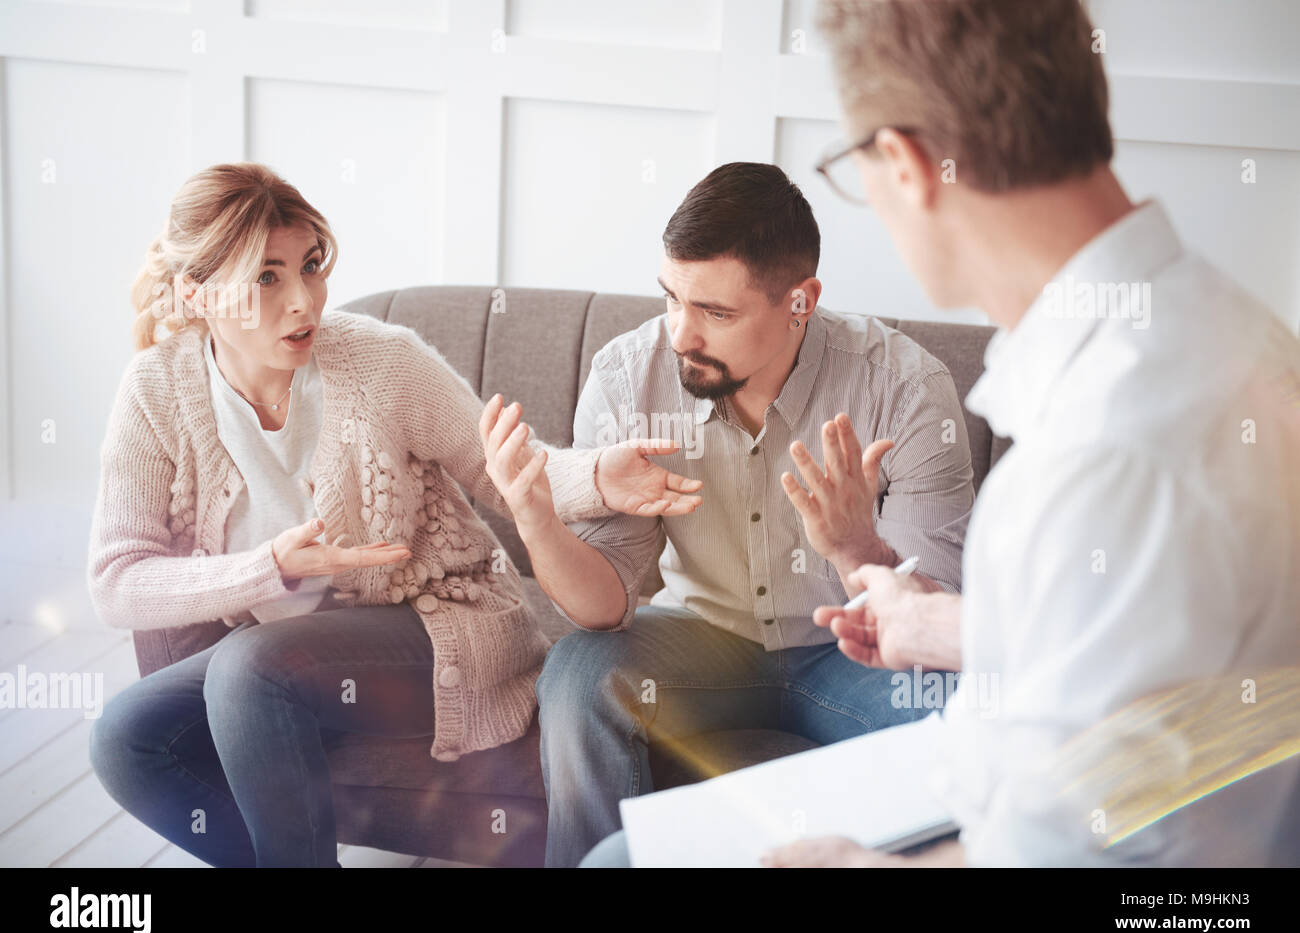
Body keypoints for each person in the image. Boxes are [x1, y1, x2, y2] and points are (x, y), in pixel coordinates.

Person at [587, 0, 1300, 868]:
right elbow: (1150, 678)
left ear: (907, 164)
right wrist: (940, 621)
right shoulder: (1229, 335)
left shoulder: (1103, 448)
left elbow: (1082, 858)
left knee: (621, 860)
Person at [86, 161, 701, 867]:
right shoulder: (156, 391)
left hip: (433, 625)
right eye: (267, 278)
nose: (303, 301)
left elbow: (499, 467)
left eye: (310, 266)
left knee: (248, 671)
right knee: (126, 739)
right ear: (197, 293)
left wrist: (598, 472)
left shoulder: (381, 365)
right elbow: (117, 579)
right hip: (284, 655)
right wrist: (268, 569)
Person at [481, 160, 976, 867]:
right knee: (577, 674)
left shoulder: (905, 388)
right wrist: (536, 517)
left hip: (854, 655)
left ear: (800, 301)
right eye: (671, 298)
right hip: (696, 643)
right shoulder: (629, 377)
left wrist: (855, 546)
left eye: (716, 313)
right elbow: (604, 606)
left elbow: (935, 619)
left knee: (963, 716)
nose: (681, 334)